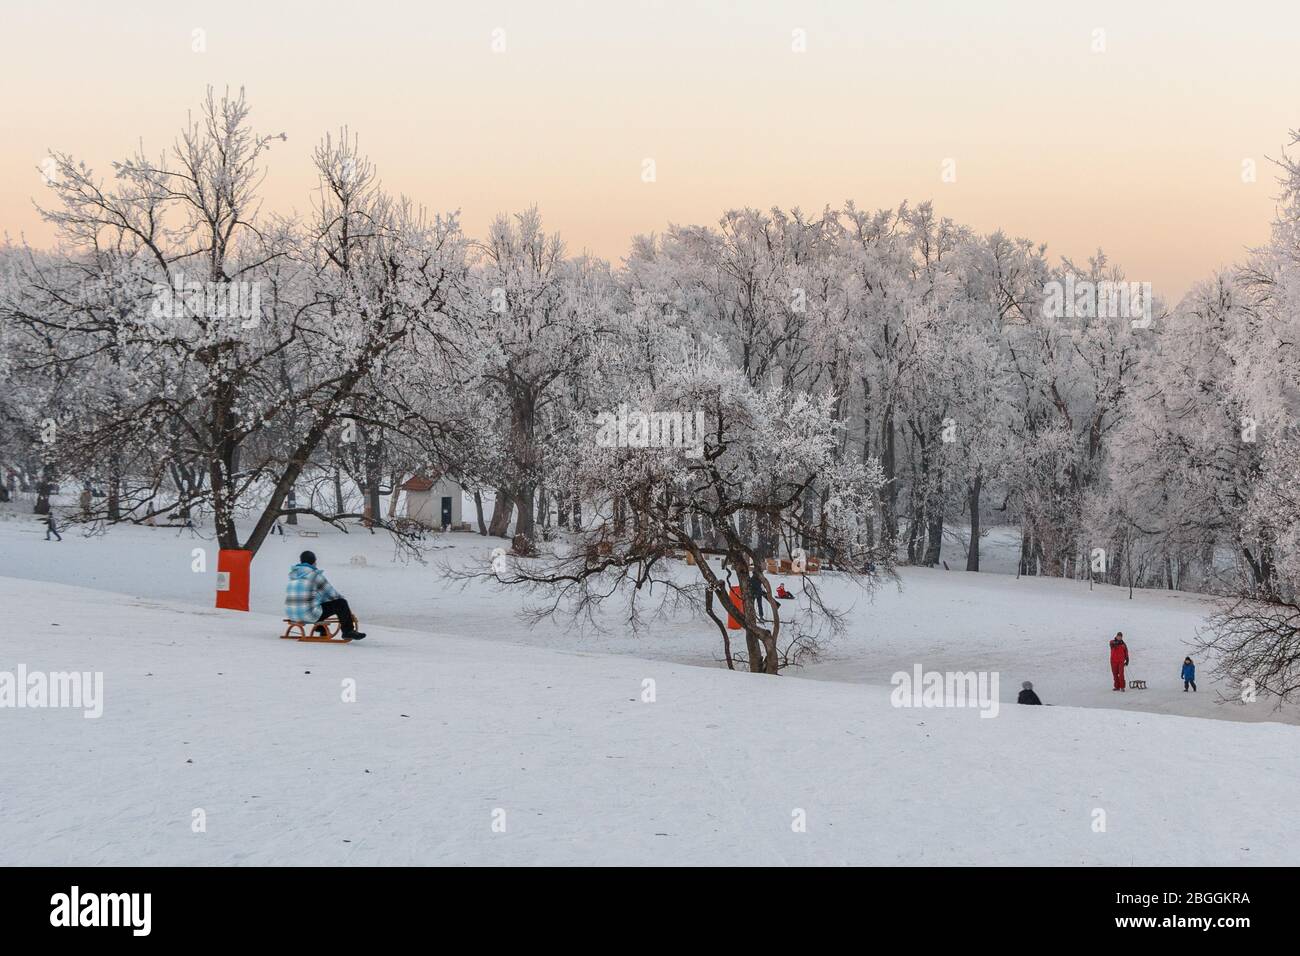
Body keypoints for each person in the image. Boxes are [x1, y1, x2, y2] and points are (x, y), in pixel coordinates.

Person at [285, 551, 366, 640]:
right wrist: (342, 601)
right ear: (314, 562)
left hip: (292, 614)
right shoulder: (314, 575)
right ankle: (348, 631)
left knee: (318, 602)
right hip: (308, 615)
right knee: (341, 603)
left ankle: (321, 629)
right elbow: (332, 594)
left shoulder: (293, 576)